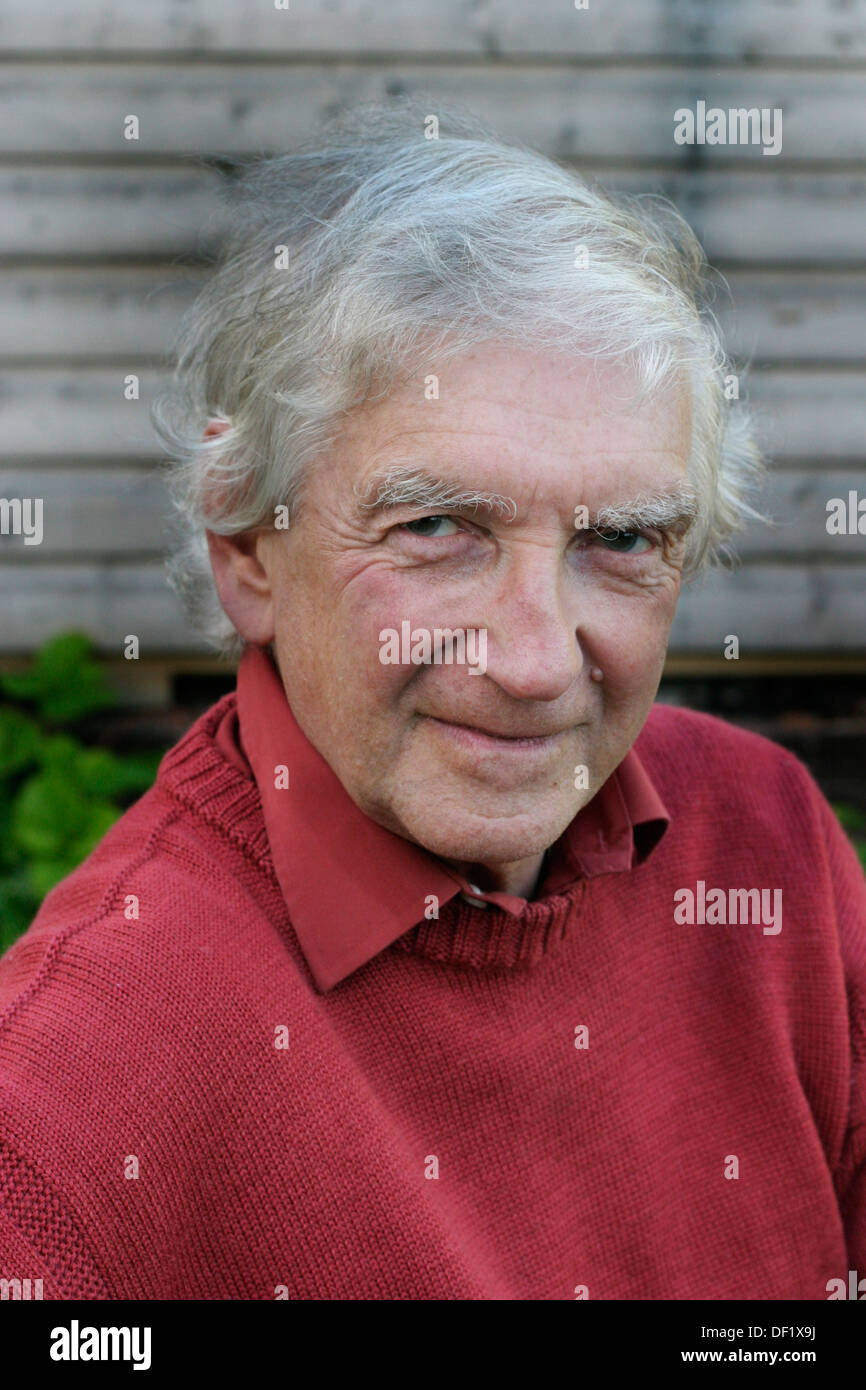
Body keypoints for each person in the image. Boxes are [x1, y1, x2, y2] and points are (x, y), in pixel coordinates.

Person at [1, 102, 864, 1301]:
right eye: (437, 528)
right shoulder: (61, 1104)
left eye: (618, 538)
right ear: (247, 548)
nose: (531, 662)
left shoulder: (767, 840)